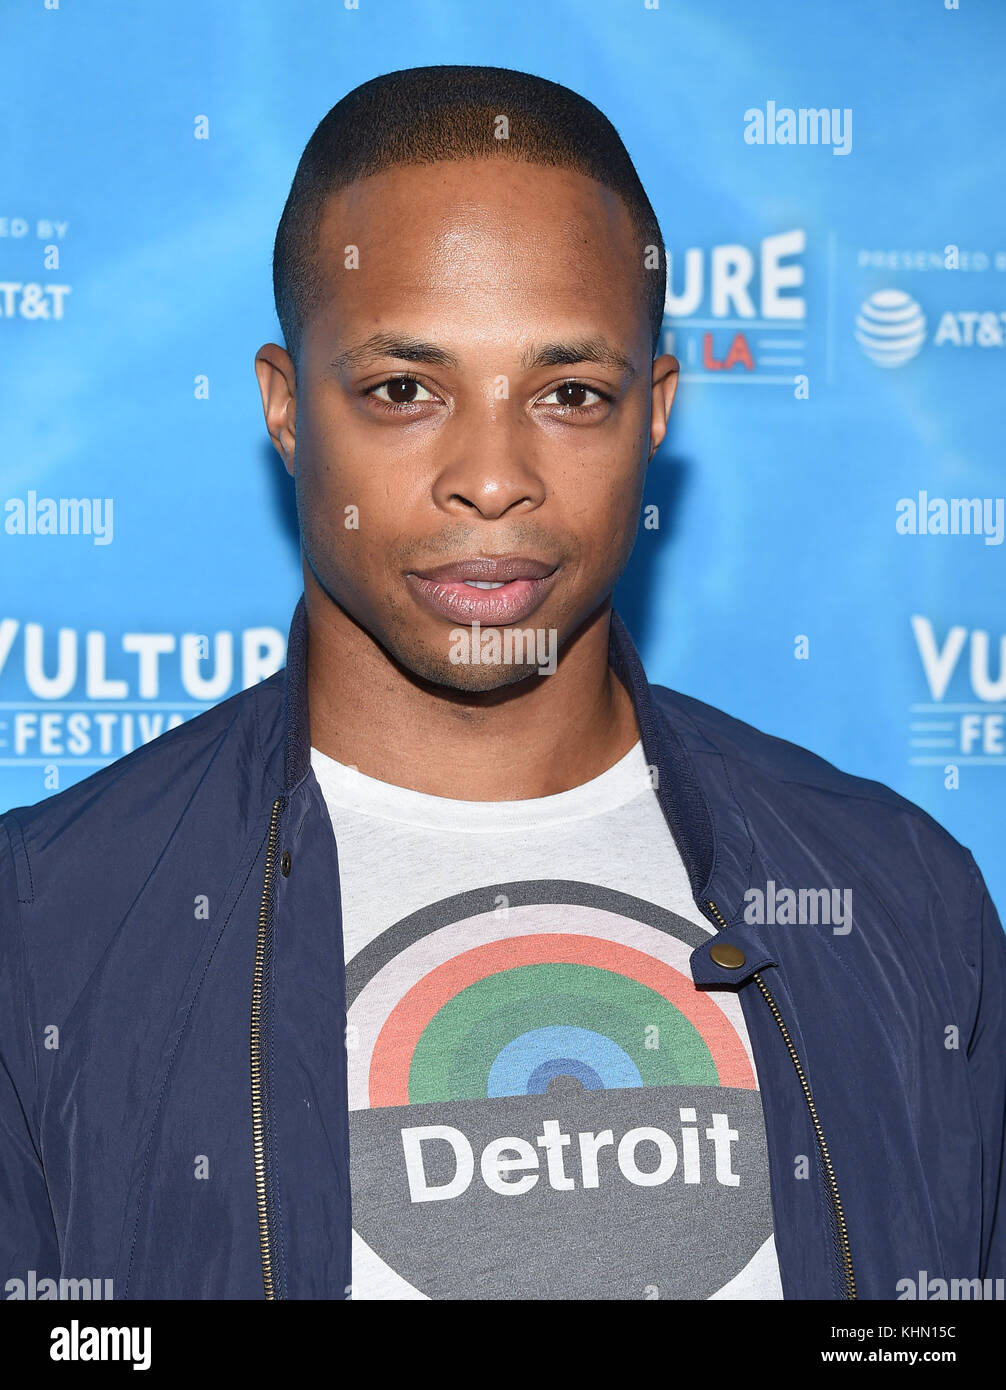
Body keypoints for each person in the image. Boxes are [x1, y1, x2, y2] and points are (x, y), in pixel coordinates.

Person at [1, 65, 1003, 1303]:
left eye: (569, 393)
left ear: (654, 416)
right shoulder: (44, 930)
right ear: (284, 410)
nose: (491, 474)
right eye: (404, 391)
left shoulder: (898, 896)